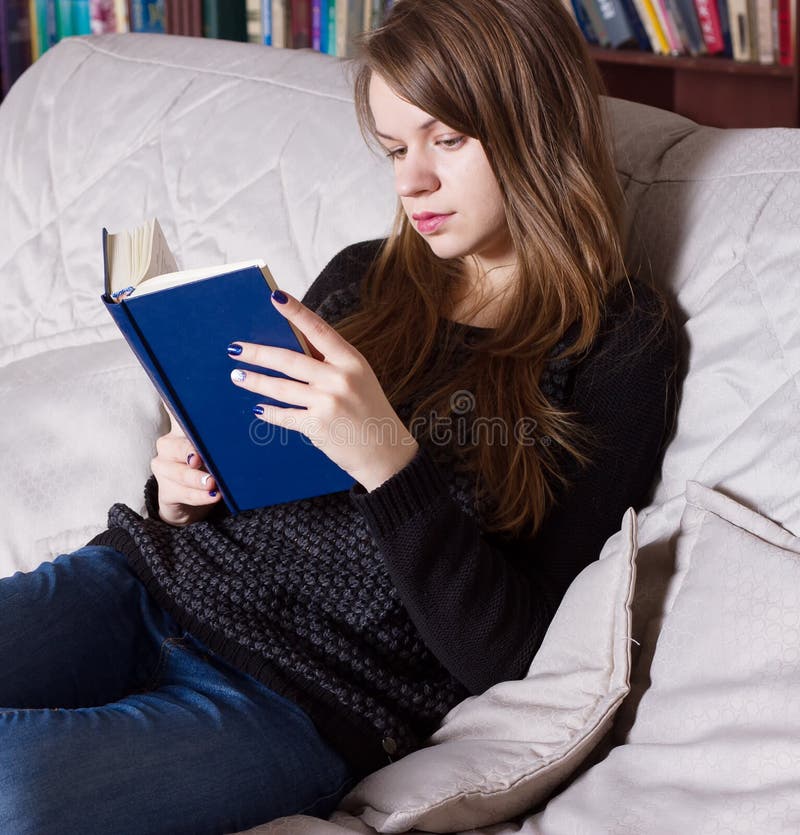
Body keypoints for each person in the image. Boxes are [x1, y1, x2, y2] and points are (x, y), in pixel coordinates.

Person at [0, 0, 678, 833]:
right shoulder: (363, 278)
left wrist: (391, 461)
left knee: (15, 793)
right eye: (395, 148)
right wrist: (179, 488)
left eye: (447, 140)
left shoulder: (619, 343)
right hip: (143, 581)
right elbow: (251, 470)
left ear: (535, 125)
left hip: (304, 701)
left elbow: (512, 655)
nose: (410, 181)